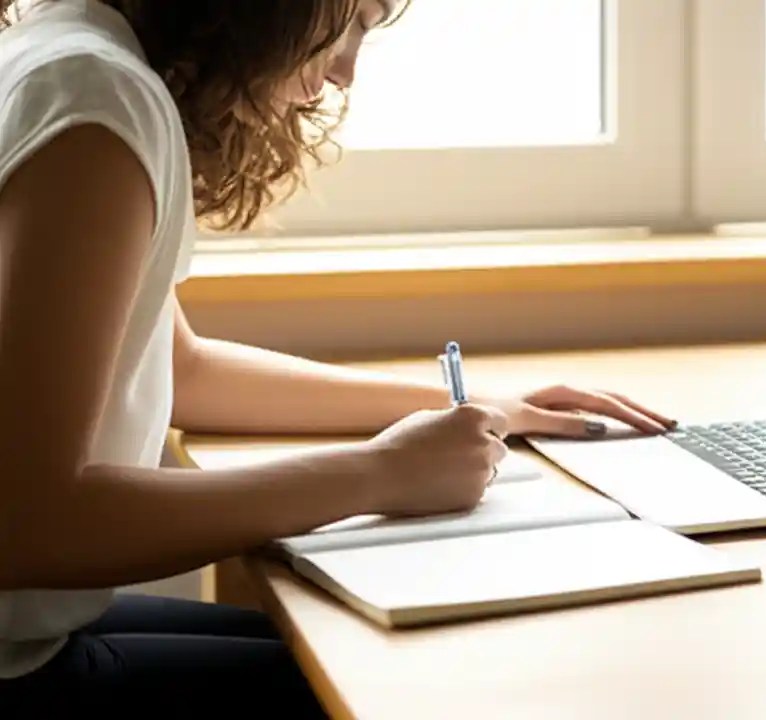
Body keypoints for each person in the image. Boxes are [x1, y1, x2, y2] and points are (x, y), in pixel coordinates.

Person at [0, 1, 676, 716]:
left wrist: (468, 408)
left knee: (340, 648)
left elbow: (185, 369)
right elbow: (30, 520)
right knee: (411, 687)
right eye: (353, 18)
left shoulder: (66, 57)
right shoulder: (103, 104)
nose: (348, 70)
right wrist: (378, 474)